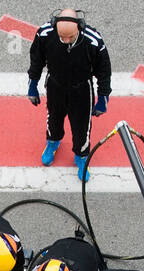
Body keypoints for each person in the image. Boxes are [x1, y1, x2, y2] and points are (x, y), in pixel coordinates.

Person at [27, 9, 112, 181]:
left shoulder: (93, 40)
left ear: (79, 28)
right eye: (62, 37)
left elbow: (104, 71)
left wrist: (103, 98)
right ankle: (53, 143)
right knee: (54, 119)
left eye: (70, 37)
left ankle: (81, 156)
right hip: (55, 85)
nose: (66, 41)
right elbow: (36, 60)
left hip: (82, 89)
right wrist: (32, 85)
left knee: (82, 127)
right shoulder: (44, 34)